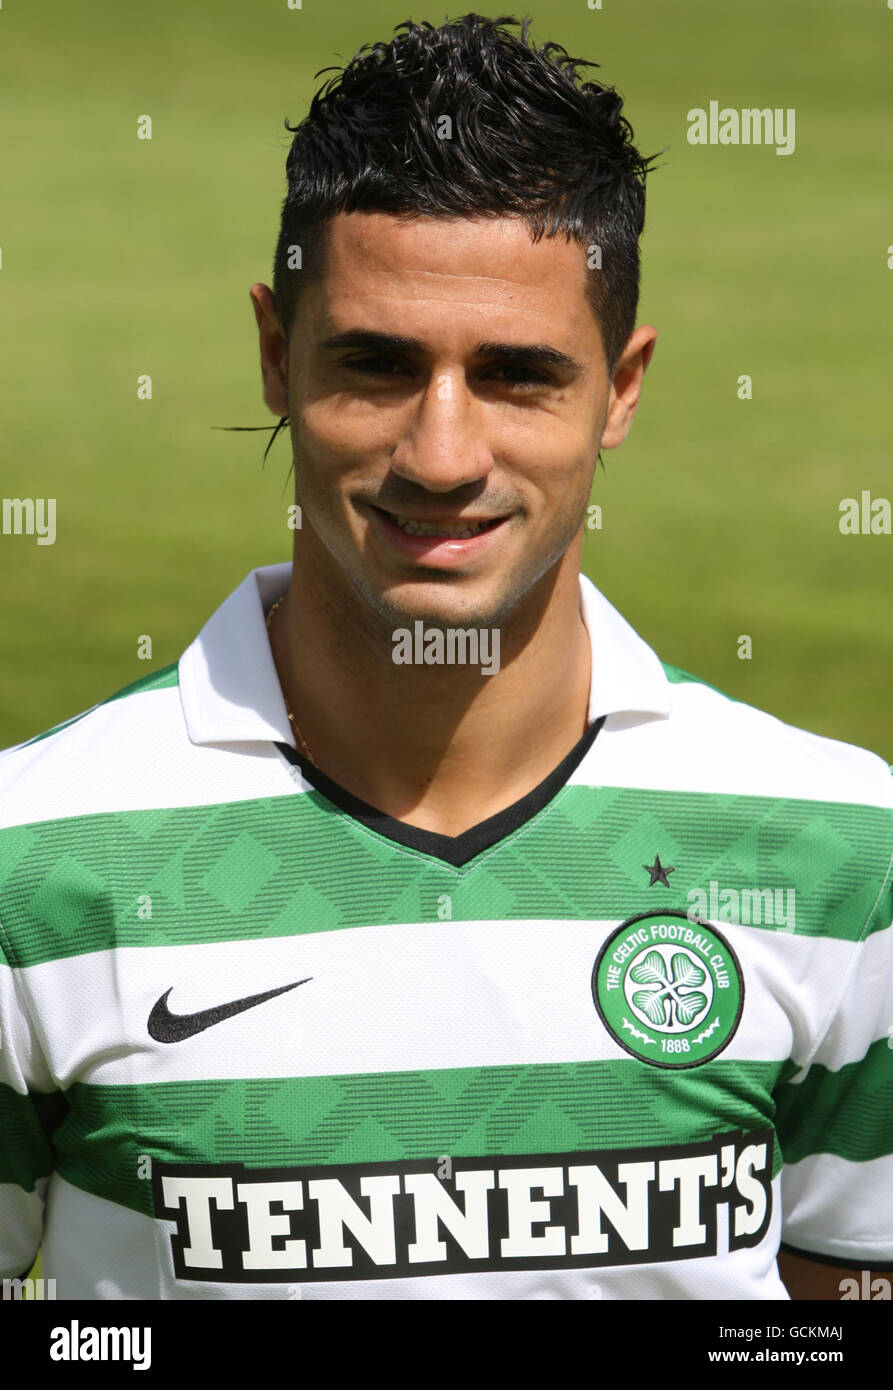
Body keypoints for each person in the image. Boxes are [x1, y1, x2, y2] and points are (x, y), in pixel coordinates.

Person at [0, 13, 890, 1302]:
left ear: (622, 388)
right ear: (273, 355)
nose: (442, 455)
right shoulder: (36, 861)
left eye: (519, 375)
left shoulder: (836, 852)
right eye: (377, 364)